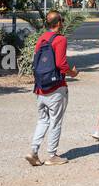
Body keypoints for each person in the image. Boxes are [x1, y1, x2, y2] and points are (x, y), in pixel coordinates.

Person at [25, 10, 79, 166]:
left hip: (40, 87)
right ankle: (52, 155)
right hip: (56, 87)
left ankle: (34, 152)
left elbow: (35, 61)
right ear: (59, 23)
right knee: (55, 121)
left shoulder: (41, 38)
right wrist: (73, 73)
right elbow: (61, 64)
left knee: (43, 120)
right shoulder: (60, 39)